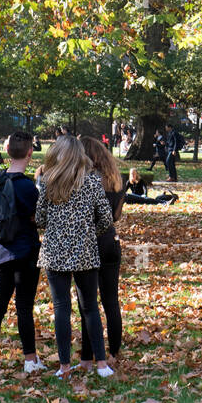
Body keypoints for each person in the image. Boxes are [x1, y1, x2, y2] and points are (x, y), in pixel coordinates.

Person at [35, 135, 114, 378]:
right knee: (90, 306)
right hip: (85, 252)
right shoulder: (91, 182)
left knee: (61, 308)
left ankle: (64, 366)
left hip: (55, 251)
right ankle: (101, 364)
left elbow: (39, 219)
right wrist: (90, 231)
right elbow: (106, 218)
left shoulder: (49, 183)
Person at [0, 132, 45, 375]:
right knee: (24, 306)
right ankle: (30, 359)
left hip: (2, 250)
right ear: (30, 153)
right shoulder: (28, 187)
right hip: (26, 251)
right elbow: (39, 217)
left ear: (8, 152)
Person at [78, 137, 124, 372]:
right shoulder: (116, 180)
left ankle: (89, 354)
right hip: (111, 241)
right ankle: (114, 350)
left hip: (91, 241)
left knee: (88, 302)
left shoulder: (86, 182)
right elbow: (115, 216)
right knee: (110, 300)